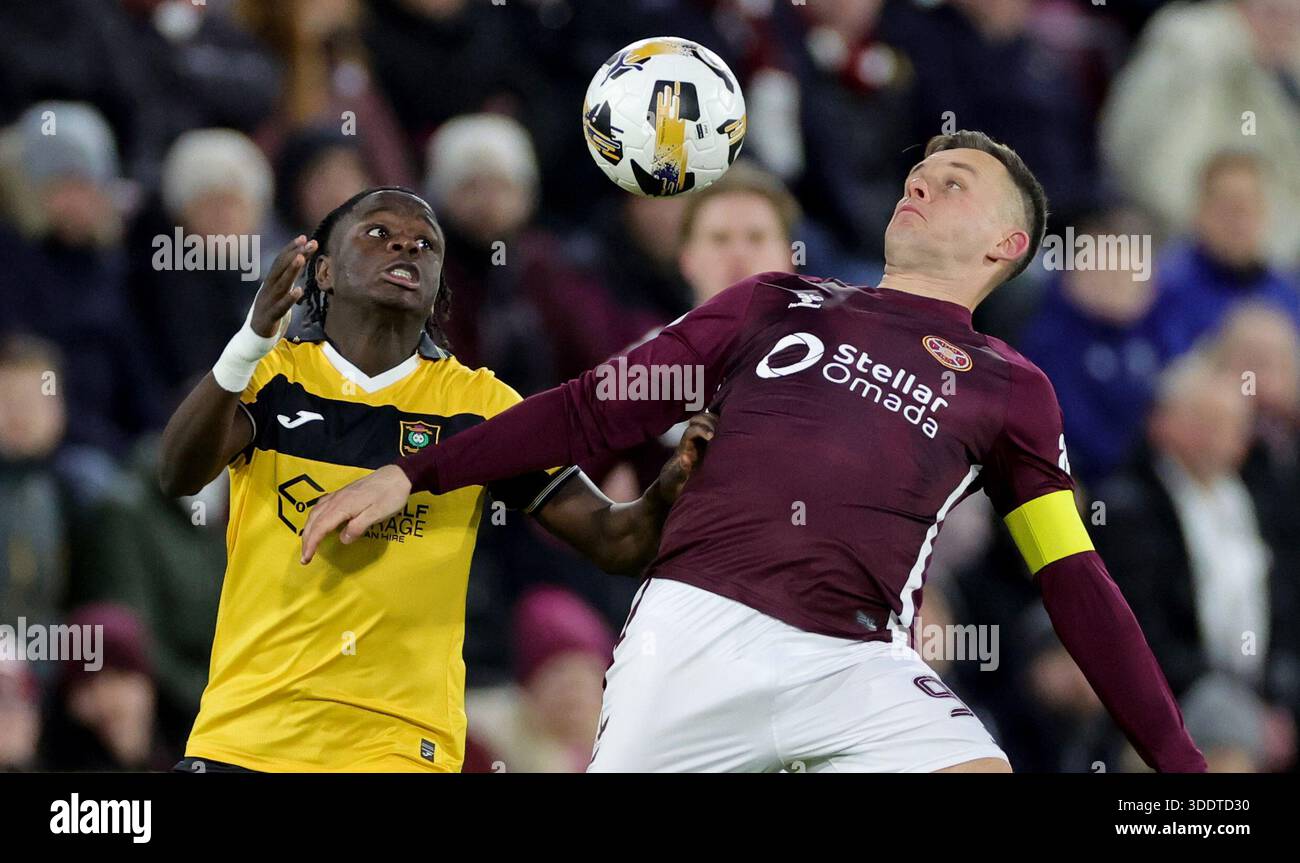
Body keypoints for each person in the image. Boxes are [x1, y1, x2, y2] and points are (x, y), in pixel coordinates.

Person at [302, 132, 1206, 773]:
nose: (921, 184)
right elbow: (592, 410)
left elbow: (1073, 577)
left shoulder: (1010, 386)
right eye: (919, 174)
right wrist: (416, 469)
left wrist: (1183, 771)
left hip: (859, 660)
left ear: (1007, 245)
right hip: (693, 632)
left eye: (954, 181)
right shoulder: (777, 300)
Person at [159, 186, 711, 773]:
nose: (405, 244)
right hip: (244, 740)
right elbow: (179, 473)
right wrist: (248, 343)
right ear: (323, 270)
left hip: (401, 749)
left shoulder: (480, 404)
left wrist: (669, 488)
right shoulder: (270, 375)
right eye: (378, 233)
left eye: (426, 243)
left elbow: (614, 539)